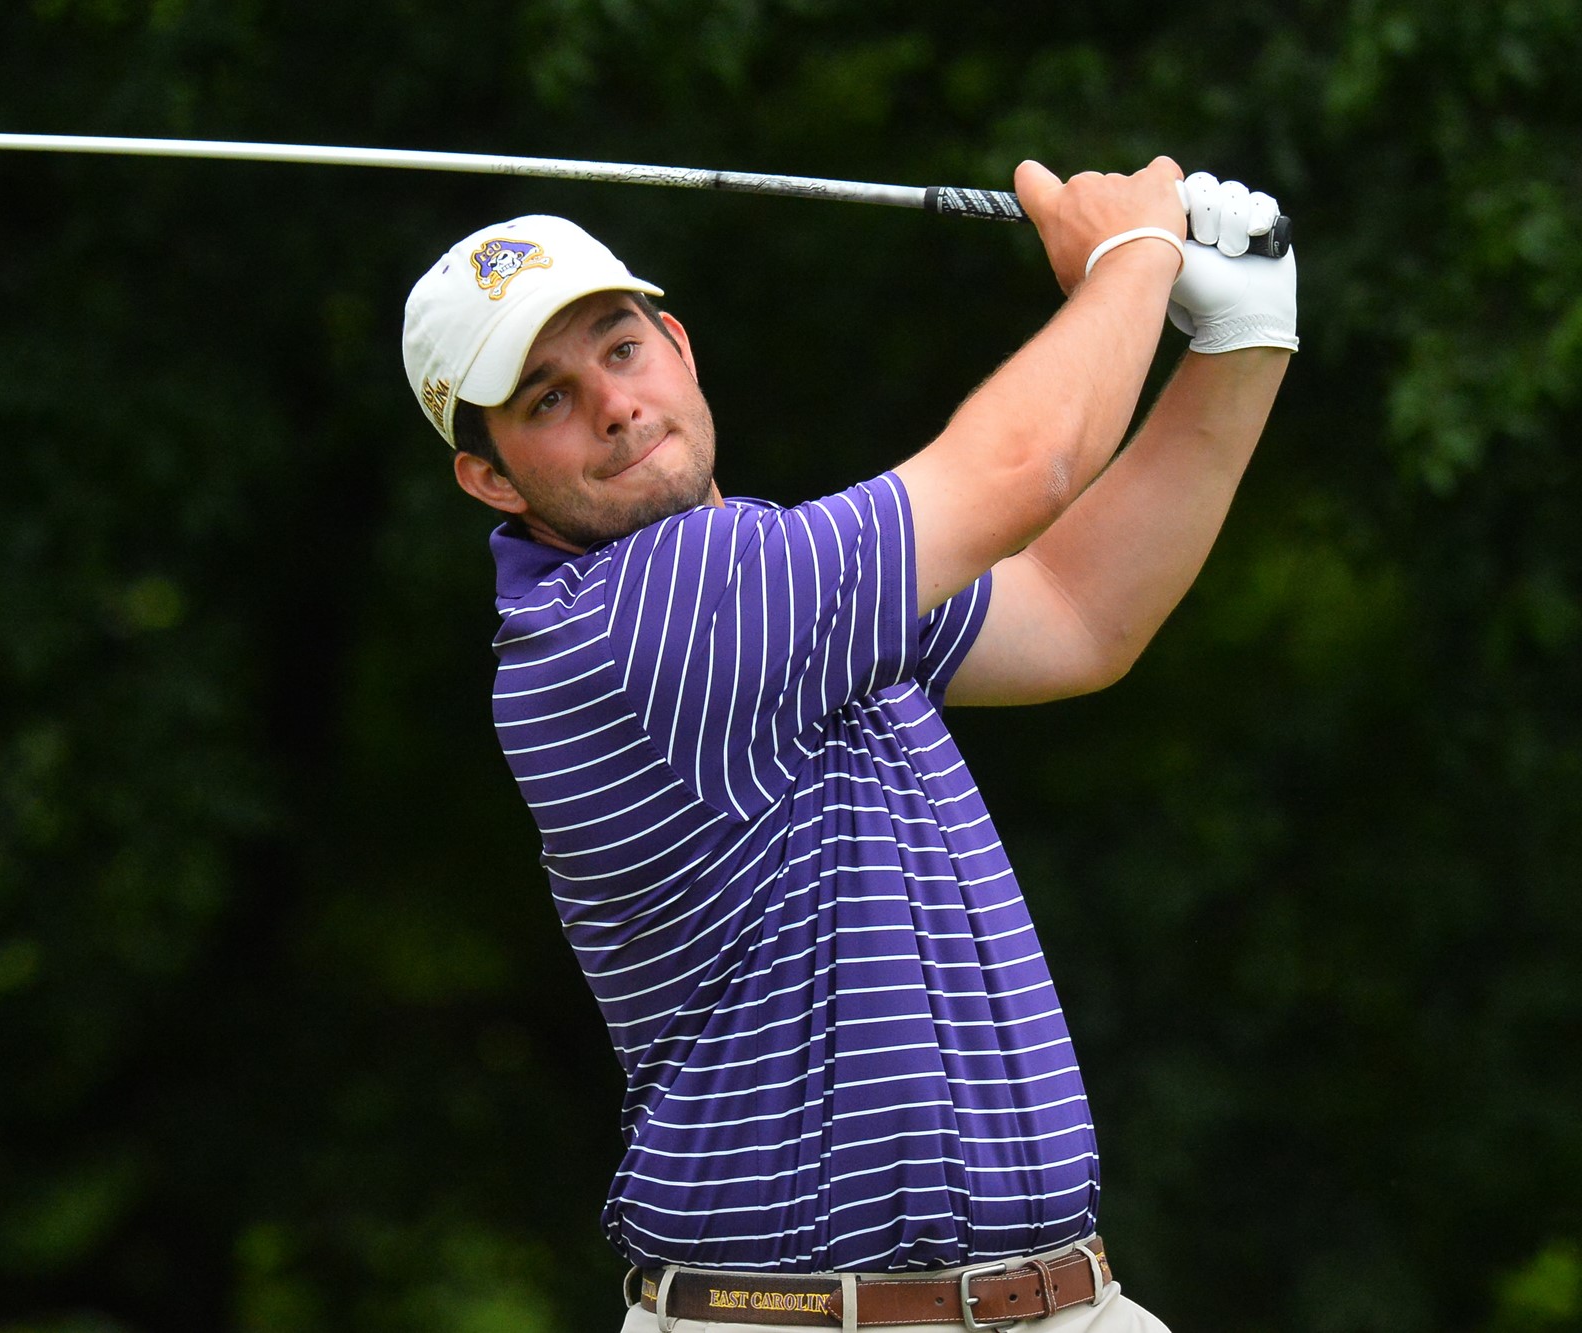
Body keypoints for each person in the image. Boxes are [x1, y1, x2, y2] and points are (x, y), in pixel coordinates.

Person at [401, 158, 1294, 1332]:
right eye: (545, 401)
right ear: (488, 478)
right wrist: (1130, 260)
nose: (612, 403)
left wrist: (1242, 341)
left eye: (619, 350)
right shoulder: (642, 615)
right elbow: (1028, 468)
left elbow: (1080, 614)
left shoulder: (788, 588)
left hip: (1058, 1301)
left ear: (678, 348)